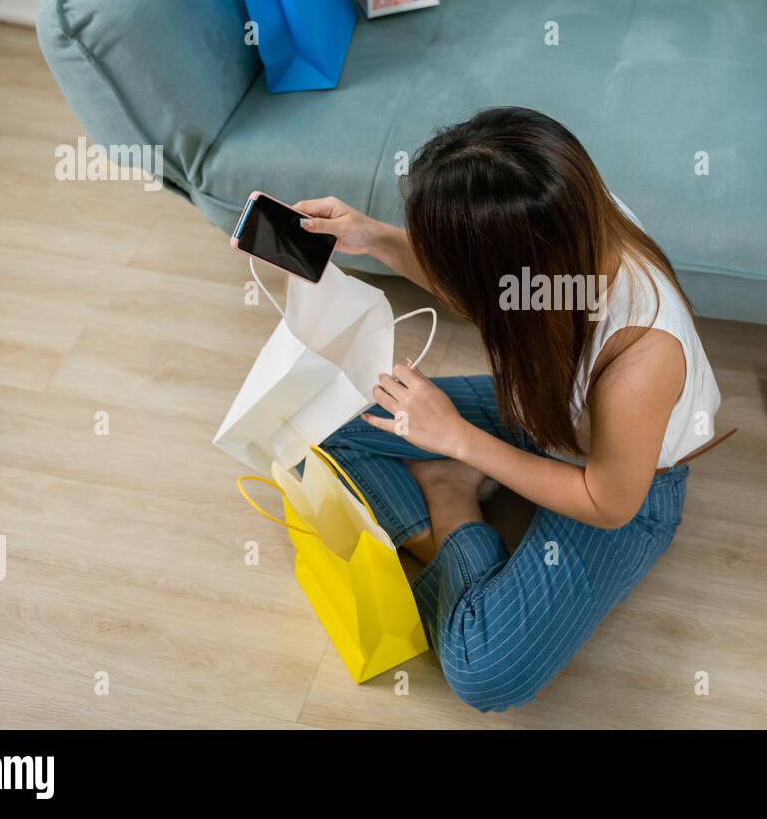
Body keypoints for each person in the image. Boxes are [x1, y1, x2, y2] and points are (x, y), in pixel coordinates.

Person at [298, 107, 721, 712]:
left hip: (622, 485)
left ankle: (451, 496)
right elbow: (487, 284)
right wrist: (373, 237)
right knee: (322, 431)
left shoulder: (642, 358)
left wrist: (457, 443)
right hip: (542, 410)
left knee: (481, 671)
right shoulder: (569, 218)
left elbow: (608, 502)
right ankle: (472, 548)